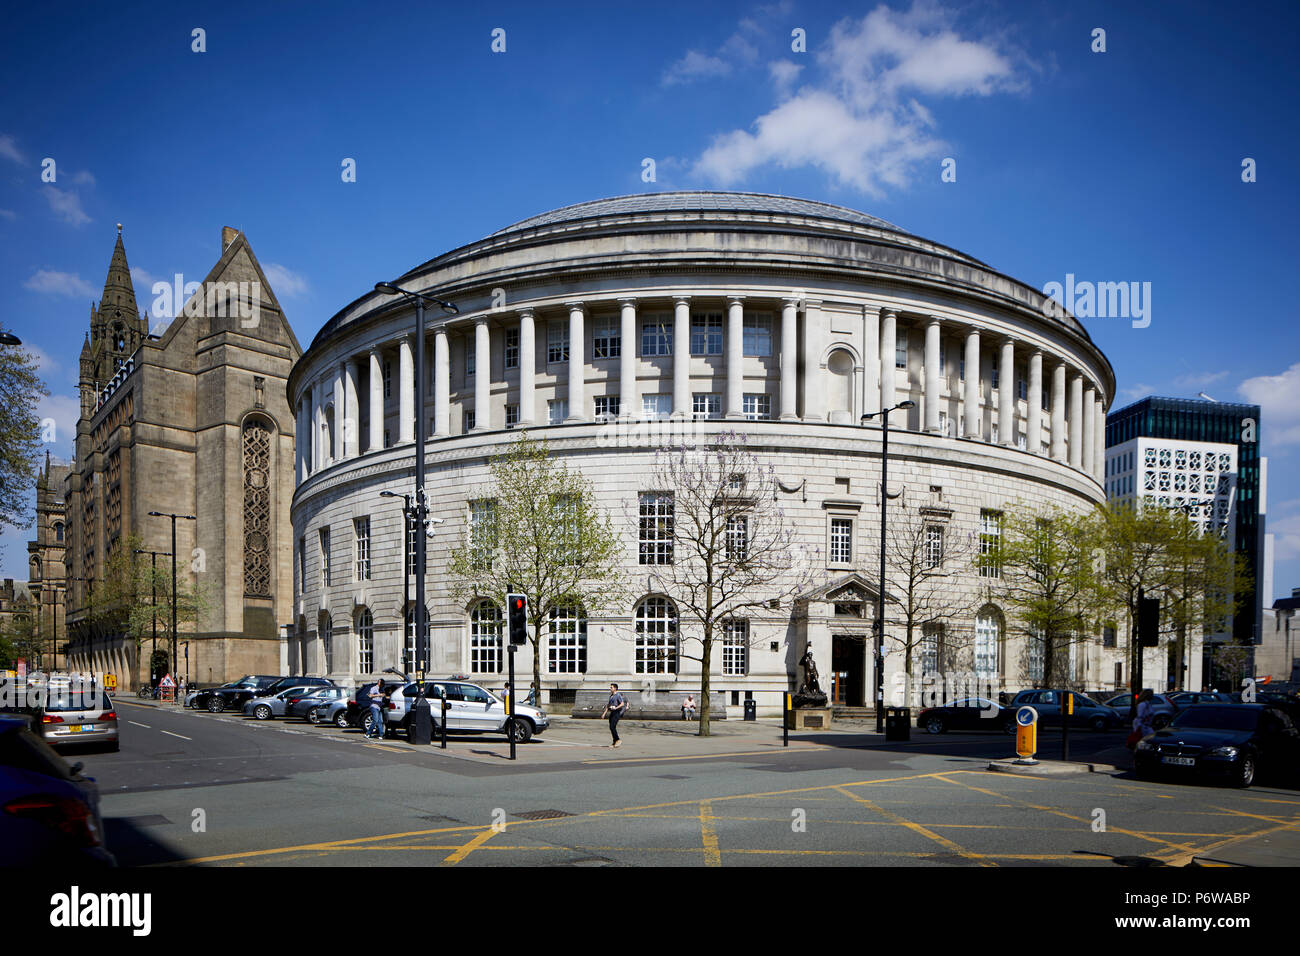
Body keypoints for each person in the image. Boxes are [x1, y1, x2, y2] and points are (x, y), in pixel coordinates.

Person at [601, 682, 628, 747]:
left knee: (612, 726)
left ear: (615, 688)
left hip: (616, 713)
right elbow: (608, 705)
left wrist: (616, 708)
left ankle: (618, 739)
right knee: (612, 727)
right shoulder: (611, 696)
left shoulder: (618, 695)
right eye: (610, 687)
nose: (610, 688)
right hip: (612, 712)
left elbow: (622, 704)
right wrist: (604, 713)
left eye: (611, 687)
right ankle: (614, 741)